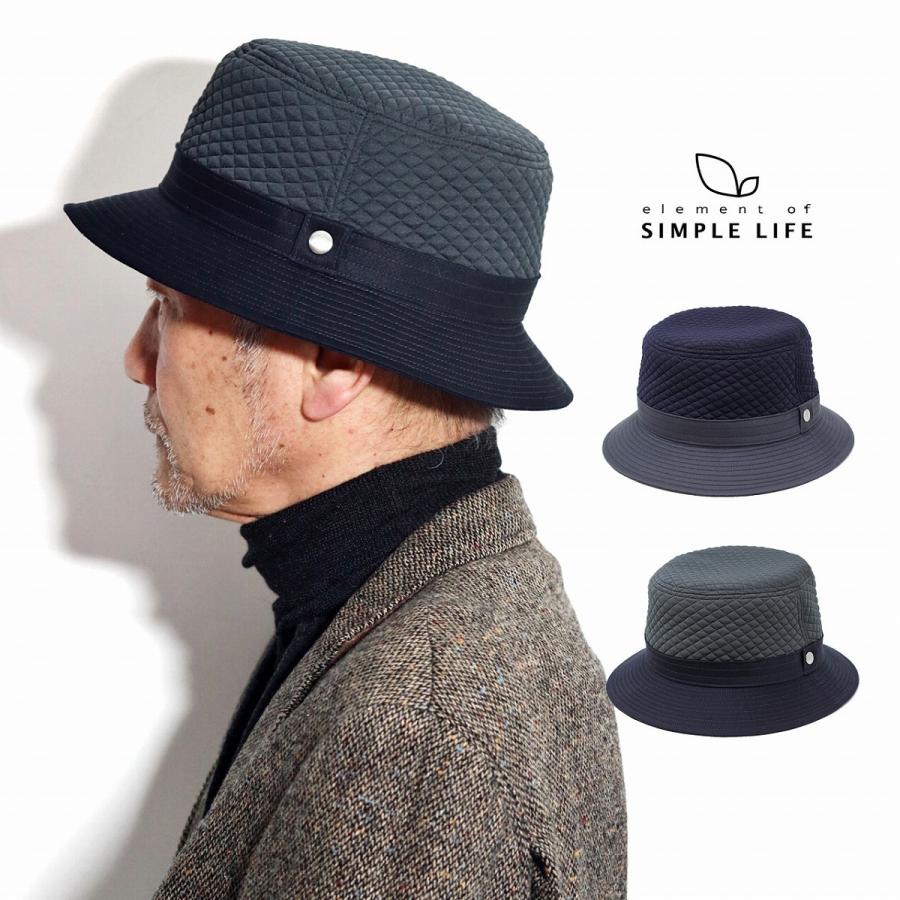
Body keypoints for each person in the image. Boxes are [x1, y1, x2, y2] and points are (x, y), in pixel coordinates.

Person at [64, 38, 627, 899]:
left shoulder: (420, 720)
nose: (137, 361)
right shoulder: (399, 613)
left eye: (167, 309)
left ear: (333, 364)